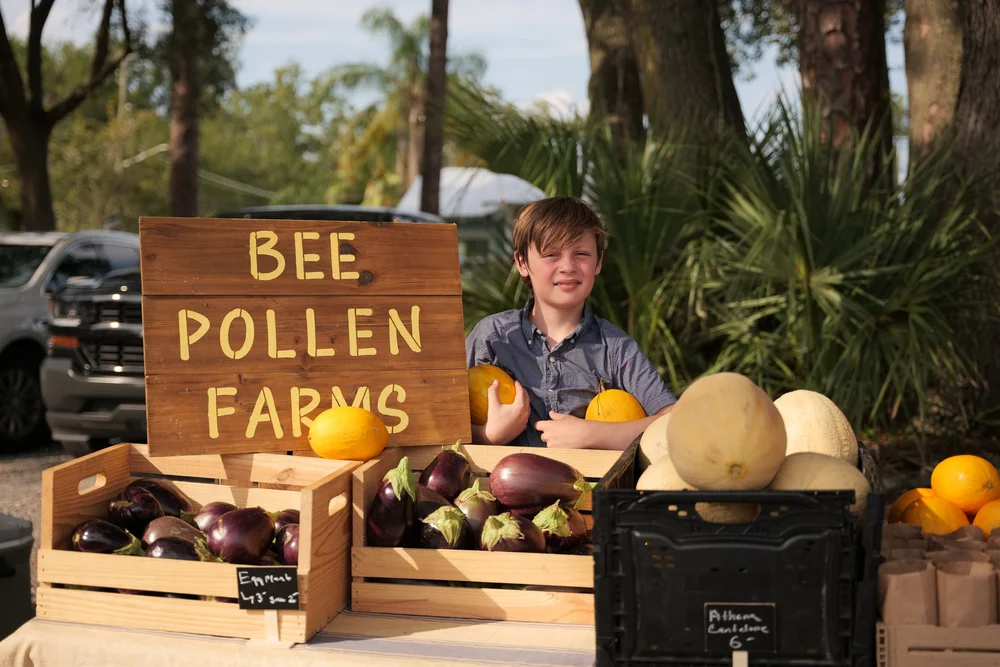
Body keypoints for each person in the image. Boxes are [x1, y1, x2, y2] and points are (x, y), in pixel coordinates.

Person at [465, 196, 677, 450]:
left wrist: (594, 435)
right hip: (496, 477)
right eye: (551, 254)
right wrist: (488, 435)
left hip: (587, 478)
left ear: (598, 262)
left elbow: (674, 421)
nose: (567, 266)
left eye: (581, 254)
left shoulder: (615, 348)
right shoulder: (492, 338)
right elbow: (438, 421)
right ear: (522, 263)